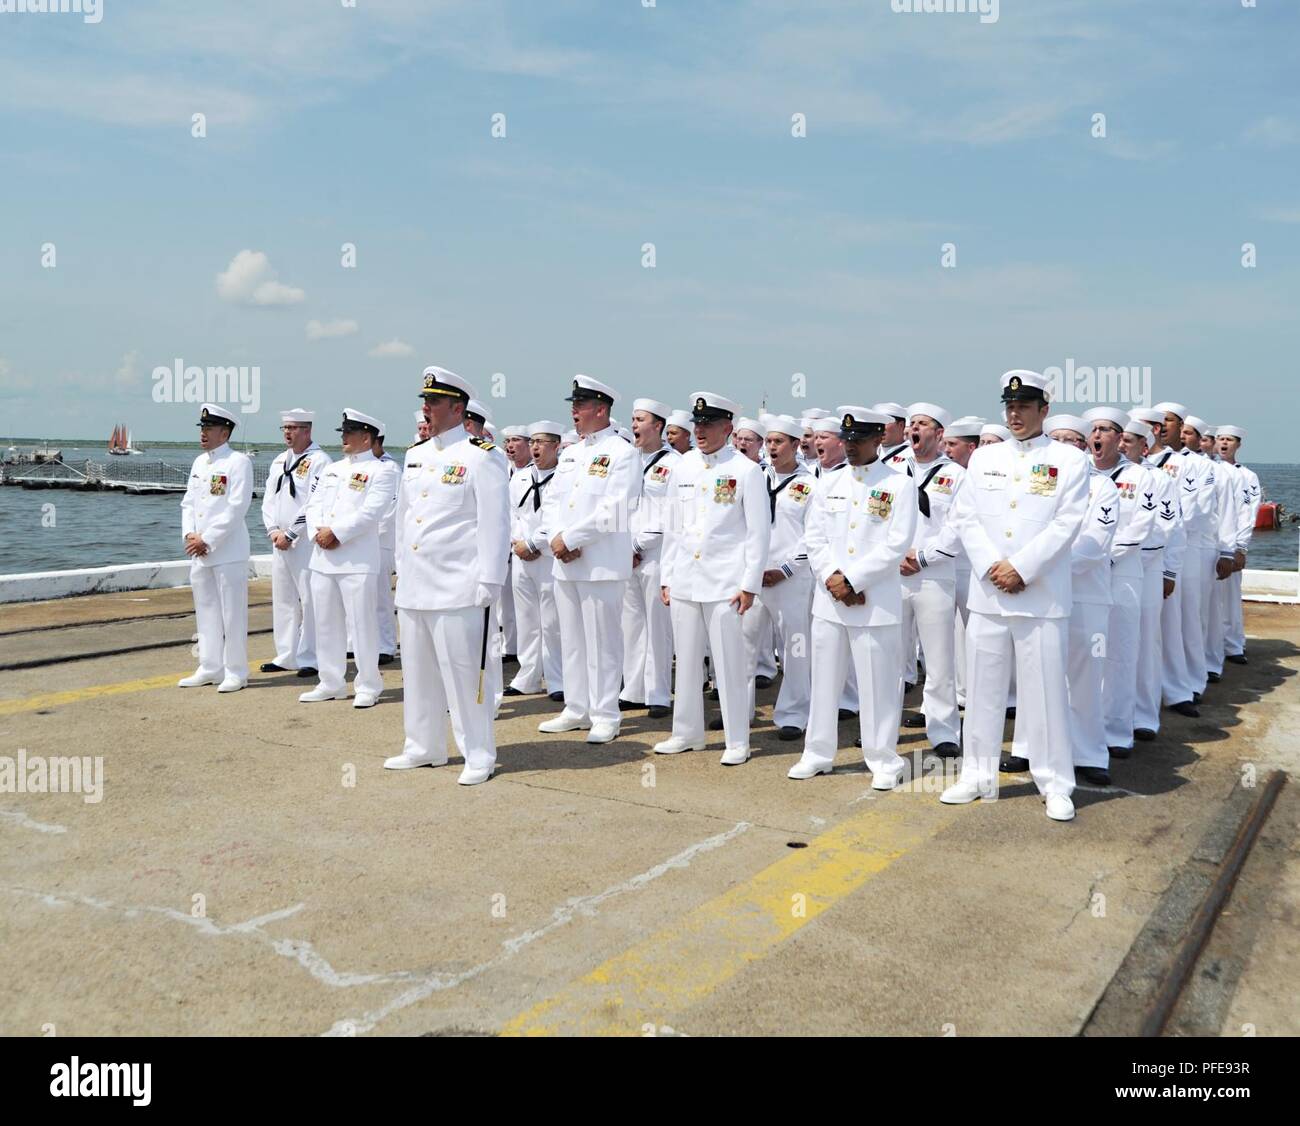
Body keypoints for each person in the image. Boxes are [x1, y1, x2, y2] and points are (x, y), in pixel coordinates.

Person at [942, 370, 1089, 822]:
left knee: (1044, 692)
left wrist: (1022, 567)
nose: (1015, 414)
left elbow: (1067, 523)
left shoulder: (1069, 460)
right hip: (989, 594)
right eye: (1009, 406)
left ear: (1043, 410)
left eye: (1024, 406)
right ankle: (977, 774)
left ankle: (1055, 782)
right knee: (983, 690)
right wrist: (992, 566)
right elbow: (965, 517)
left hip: (1040, 596)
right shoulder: (986, 459)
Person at [384, 366, 510, 784]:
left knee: (461, 675)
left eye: (434, 401)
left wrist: (489, 580)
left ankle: (478, 753)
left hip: (459, 583)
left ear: (457, 408)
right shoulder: (416, 455)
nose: (426, 408)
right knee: (418, 674)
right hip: (417, 583)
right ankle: (424, 747)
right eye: (425, 401)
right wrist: (400, 568)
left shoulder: (482, 455)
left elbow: (495, 522)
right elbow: (404, 518)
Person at [787, 407, 917, 785]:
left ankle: (883, 760)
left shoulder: (899, 484)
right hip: (831, 600)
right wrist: (832, 578)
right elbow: (814, 538)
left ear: (879, 439)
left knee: (877, 685)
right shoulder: (829, 483)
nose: (850, 448)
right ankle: (817, 752)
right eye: (846, 441)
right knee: (824, 681)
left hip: (874, 601)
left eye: (858, 441)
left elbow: (897, 543)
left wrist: (854, 580)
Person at [655, 392, 770, 765]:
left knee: (729, 665)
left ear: (728, 428)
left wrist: (749, 583)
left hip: (725, 583)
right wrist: (667, 575)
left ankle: (737, 739)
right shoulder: (683, 467)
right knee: (686, 660)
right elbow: (672, 526)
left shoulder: (747, 471)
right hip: (686, 578)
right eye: (697, 425)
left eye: (707, 425)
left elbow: (758, 533)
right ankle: (687, 732)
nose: (699, 431)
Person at [536, 375, 640, 744]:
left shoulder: (623, 452)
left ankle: (606, 713)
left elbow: (619, 508)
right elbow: (552, 503)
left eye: (580, 406)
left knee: (602, 643)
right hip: (566, 562)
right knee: (572, 640)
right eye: (573, 405)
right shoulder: (571, 453)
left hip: (601, 563)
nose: (574, 411)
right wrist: (555, 539)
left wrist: (573, 537)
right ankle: (576, 708)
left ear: (601, 409)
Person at [301, 409, 398, 709]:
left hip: (356, 560)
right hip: (323, 557)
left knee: (361, 625)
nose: (342, 437)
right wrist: (317, 532)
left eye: (348, 433)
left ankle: (368, 684)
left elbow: (371, 513)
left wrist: (337, 533)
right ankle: (331, 682)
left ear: (366, 437)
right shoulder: (332, 469)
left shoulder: (383, 471)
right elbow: (313, 504)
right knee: (326, 623)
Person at [1085, 407, 1159, 763]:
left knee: (1120, 653)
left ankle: (1117, 732)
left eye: (1106, 430)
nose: (1098, 436)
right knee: (1085, 654)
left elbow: (1140, 528)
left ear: (1119, 438)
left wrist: (1105, 557)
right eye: (1094, 430)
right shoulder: (1079, 474)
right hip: (1083, 576)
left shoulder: (1143, 478)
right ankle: (1083, 730)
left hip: (1123, 573)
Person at [898, 402, 964, 758]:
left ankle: (942, 731)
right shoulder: (893, 469)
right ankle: (882, 727)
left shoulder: (956, 476)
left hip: (934, 576)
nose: (914, 429)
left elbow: (957, 528)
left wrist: (922, 557)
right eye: (911, 424)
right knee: (891, 656)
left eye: (922, 424)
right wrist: (896, 555)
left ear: (939, 434)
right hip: (893, 574)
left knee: (939, 660)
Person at [178, 403, 253, 692]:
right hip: (199, 552)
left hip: (227, 551)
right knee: (206, 611)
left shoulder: (238, 462)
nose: (204, 433)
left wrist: (206, 539)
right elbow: (188, 502)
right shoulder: (200, 463)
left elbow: (236, 508)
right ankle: (210, 666)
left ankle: (236, 671)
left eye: (209, 428)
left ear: (225, 432)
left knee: (232, 614)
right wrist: (189, 535)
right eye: (202, 428)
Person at [754, 413, 815, 740]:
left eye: (779, 442)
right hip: (753, 576)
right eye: (769, 441)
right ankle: (741, 710)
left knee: (795, 648)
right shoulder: (755, 478)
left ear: (794, 445)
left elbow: (814, 536)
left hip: (791, 578)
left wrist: (786, 569)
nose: (772, 447)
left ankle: (794, 713)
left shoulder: (811, 484)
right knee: (743, 646)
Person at [620, 398, 681, 719]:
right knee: (631, 624)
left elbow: (671, 515)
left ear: (657, 425)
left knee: (658, 625)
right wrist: (624, 546)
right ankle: (633, 689)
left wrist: (638, 545)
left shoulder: (674, 464)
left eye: (640, 420)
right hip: (626, 554)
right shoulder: (628, 460)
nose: (634, 426)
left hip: (656, 553)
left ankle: (658, 691)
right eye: (632, 419)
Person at [260, 408, 330, 678]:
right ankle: (287, 654)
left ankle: (310, 656)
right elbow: (268, 499)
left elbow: (314, 502)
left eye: (293, 428)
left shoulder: (320, 461)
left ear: (307, 430)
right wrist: (273, 530)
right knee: (284, 599)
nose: (288, 433)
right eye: (285, 428)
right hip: (279, 540)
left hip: (303, 542)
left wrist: (292, 533)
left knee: (310, 600)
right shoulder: (279, 460)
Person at [1121, 413, 1177, 739]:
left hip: (1145, 566)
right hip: (1108, 571)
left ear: (1145, 445)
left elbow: (1165, 528)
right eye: (1122, 438)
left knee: (1144, 644)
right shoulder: (1099, 477)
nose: (1123, 445)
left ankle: (1143, 715)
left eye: (1130, 440)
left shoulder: (1159, 479)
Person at [506, 421, 565, 701]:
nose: (536, 447)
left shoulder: (563, 478)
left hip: (547, 555)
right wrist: (517, 542)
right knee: (527, 619)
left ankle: (556, 678)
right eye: (533, 442)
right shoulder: (519, 478)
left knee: (551, 622)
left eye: (542, 442)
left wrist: (534, 543)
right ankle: (528, 675)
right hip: (521, 556)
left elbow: (557, 518)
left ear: (556, 446)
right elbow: (511, 515)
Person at [942, 416, 983, 708]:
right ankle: (959, 692)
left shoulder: (974, 478)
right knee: (950, 636)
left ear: (971, 447)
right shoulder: (946, 473)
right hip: (943, 564)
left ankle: (982, 692)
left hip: (973, 564)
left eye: (953, 445)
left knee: (976, 633)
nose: (948, 450)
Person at [1215, 425, 1259, 665]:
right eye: (1220, 439)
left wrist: (1241, 547)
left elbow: (1247, 511)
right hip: (1209, 543)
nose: (1223, 443)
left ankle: (1233, 645)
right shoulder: (1207, 469)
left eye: (1229, 440)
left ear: (1238, 444)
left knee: (1230, 598)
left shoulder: (1247, 476)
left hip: (1231, 545)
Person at [372, 430, 399, 665]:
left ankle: (386, 644)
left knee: (381, 596)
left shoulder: (389, 469)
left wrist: (365, 532)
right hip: (358, 542)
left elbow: (389, 510)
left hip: (380, 542)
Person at [875, 402, 913, 473]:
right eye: (877, 423)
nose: (879, 428)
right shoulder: (869, 453)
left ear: (901, 425)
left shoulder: (913, 456)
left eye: (884, 423)